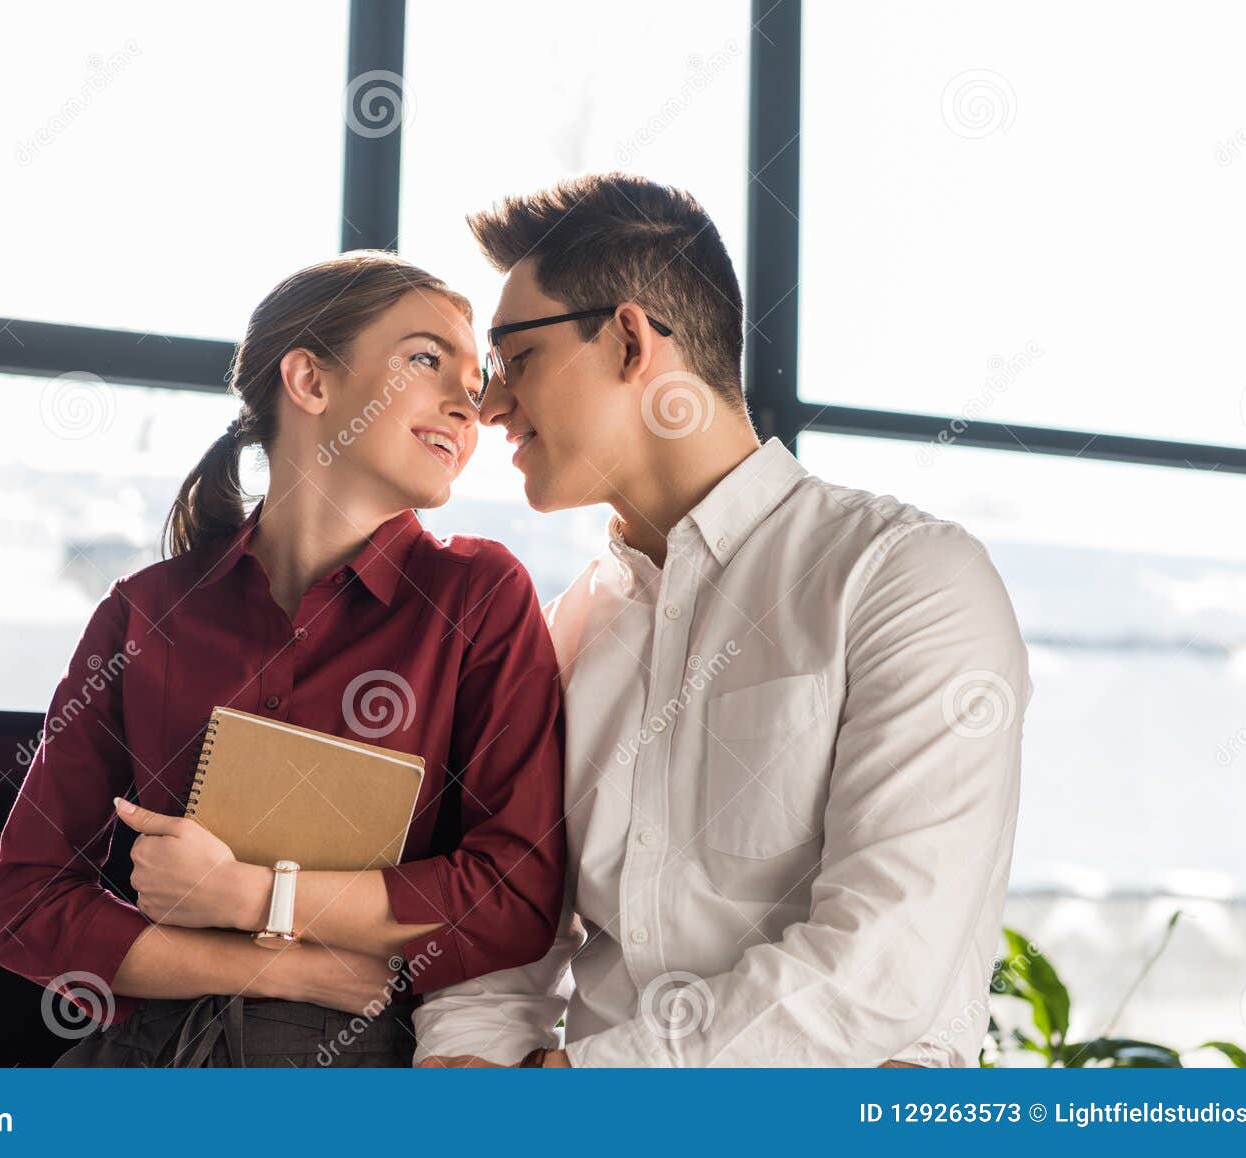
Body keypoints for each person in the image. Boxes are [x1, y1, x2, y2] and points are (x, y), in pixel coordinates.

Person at [416, 173, 1031, 1067]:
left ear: (630, 340)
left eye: (517, 357)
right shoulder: (563, 635)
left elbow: (882, 965)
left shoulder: (904, 578)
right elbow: (502, 936)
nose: (490, 404)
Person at [0, 251, 567, 1067]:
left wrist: (258, 895)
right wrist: (284, 965)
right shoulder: (144, 613)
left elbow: (513, 894)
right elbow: (27, 904)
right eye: (428, 360)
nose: (468, 407)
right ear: (311, 381)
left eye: (475, 385)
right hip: (143, 1057)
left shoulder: (479, 596)